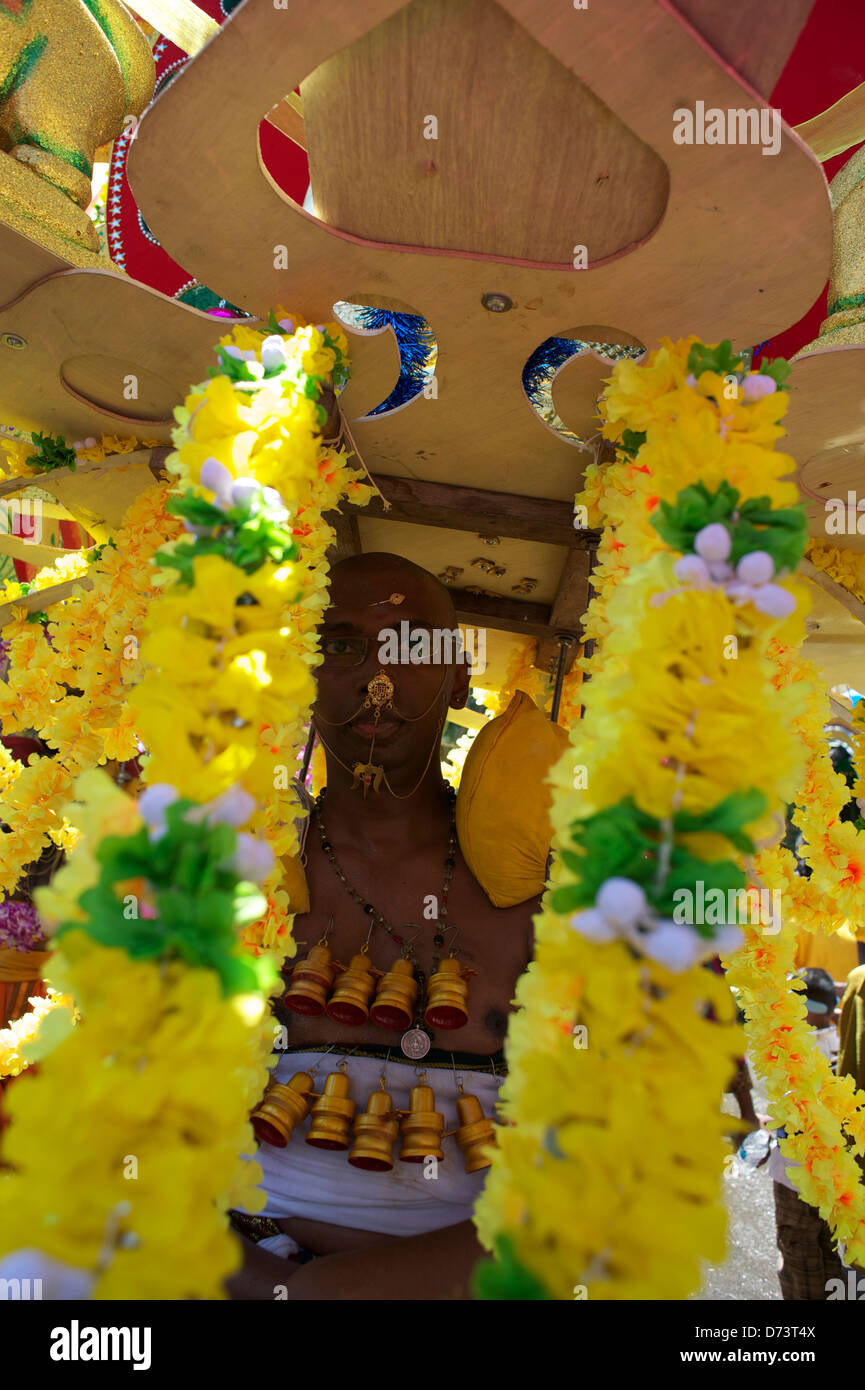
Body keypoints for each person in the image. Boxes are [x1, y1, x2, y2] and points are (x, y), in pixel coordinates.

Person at [227, 553, 542, 1300]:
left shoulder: (550, 881)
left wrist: (325, 1294)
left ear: (461, 680)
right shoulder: (232, 867)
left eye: (411, 646)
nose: (378, 678)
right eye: (338, 646)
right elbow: (132, 1138)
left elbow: (598, 1182)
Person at [766, 968, 845, 1300]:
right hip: (836, 1176)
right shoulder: (840, 1043)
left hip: (796, 1178)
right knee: (829, 1252)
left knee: (799, 1257)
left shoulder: (797, 1051)